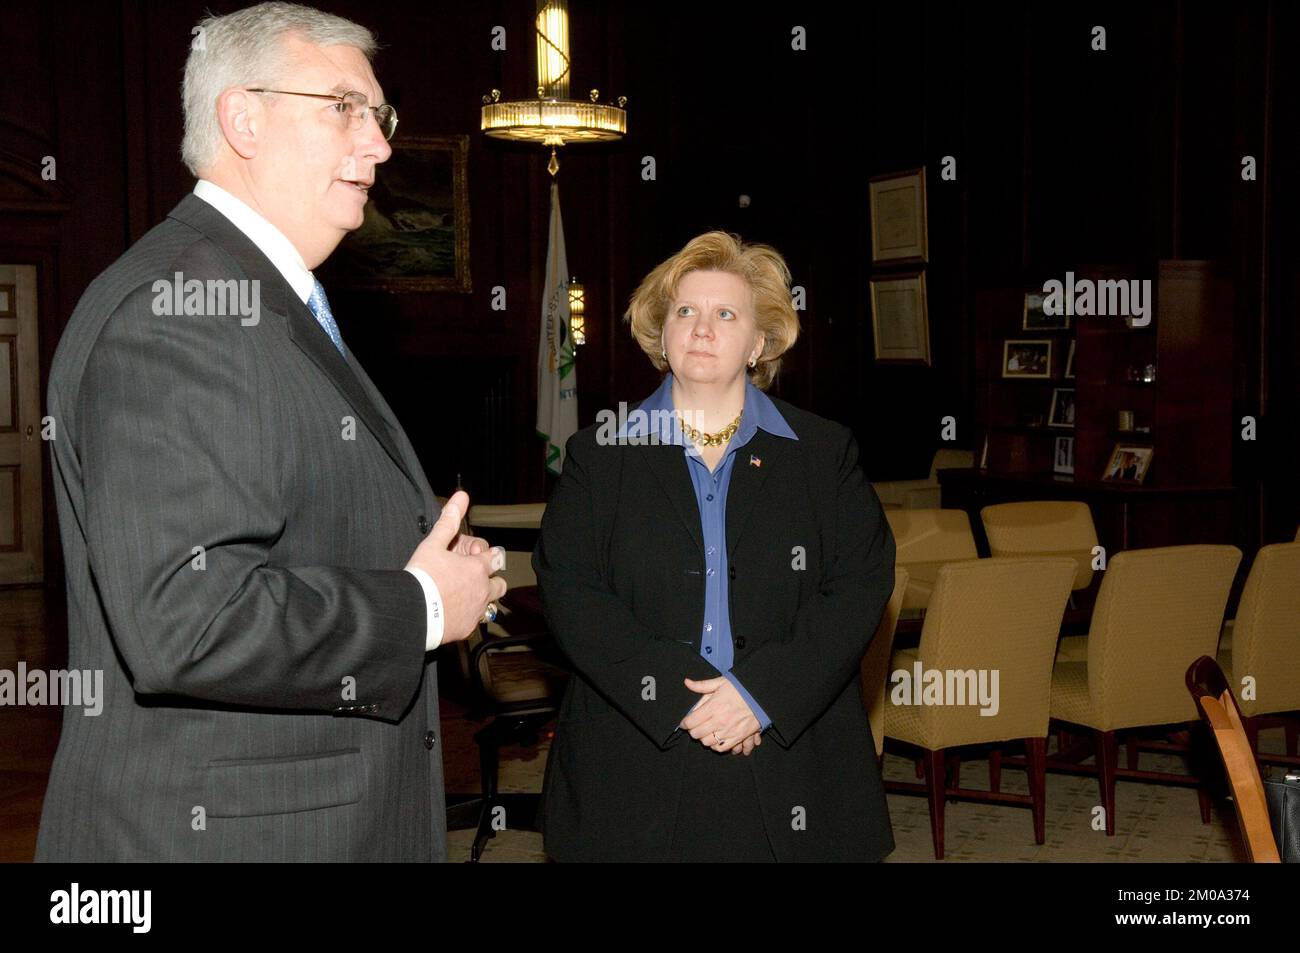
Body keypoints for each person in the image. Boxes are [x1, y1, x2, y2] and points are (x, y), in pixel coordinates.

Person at [36, 2, 505, 862]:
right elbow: (187, 620)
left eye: (380, 115)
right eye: (344, 108)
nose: (379, 145)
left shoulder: (259, 294)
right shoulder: (180, 311)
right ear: (242, 119)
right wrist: (425, 605)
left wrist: (418, 555)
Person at [534, 231, 897, 861]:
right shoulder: (599, 454)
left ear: (759, 343)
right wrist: (684, 700)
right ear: (662, 333)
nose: (702, 328)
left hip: (791, 754)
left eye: (726, 313)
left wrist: (759, 696)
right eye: (685, 311)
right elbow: (571, 591)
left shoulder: (822, 453)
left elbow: (861, 583)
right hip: (637, 751)